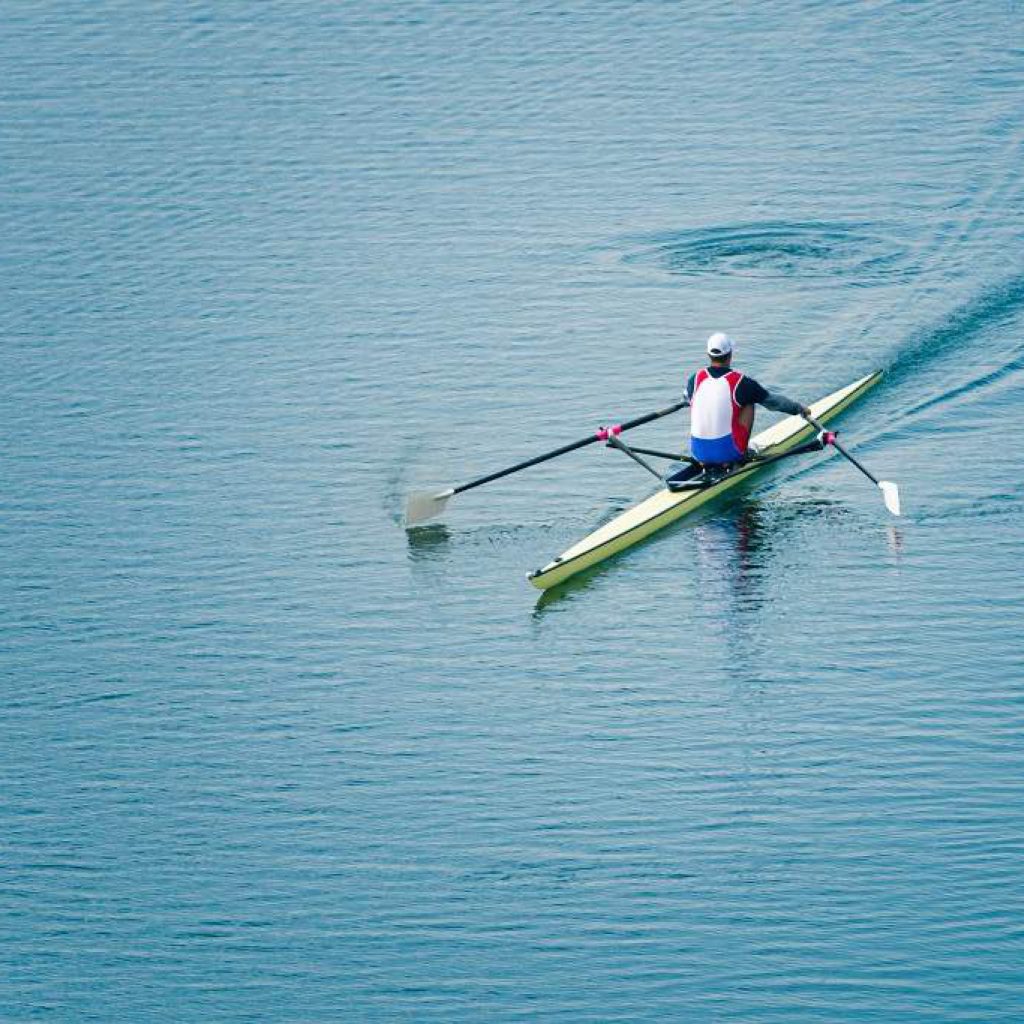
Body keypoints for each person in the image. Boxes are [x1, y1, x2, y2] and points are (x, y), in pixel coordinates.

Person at [687, 332, 809, 466]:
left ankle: (706, 457)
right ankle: (741, 452)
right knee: (749, 400)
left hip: (697, 453)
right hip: (729, 454)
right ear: (730, 354)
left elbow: (687, 398)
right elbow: (774, 403)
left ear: (708, 355)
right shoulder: (741, 382)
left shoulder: (695, 379)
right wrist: (798, 408)